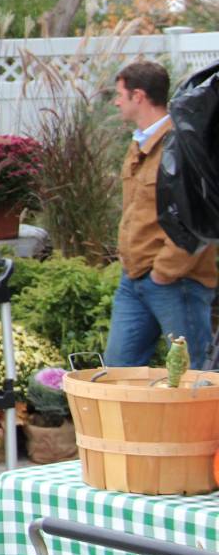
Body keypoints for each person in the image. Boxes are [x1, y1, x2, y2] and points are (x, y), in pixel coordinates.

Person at [106, 59, 217, 367]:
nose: (116, 101)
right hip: (134, 277)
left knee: (193, 375)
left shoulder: (183, 143)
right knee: (118, 373)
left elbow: (204, 215)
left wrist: (165, 271)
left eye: (120, 94)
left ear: (138, 96)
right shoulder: (140, 143)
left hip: (175, 281)